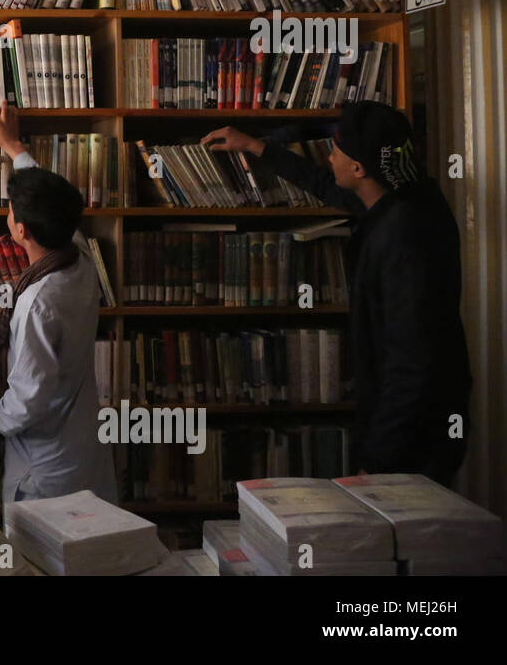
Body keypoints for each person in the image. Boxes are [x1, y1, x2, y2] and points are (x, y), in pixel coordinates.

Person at [202, 101, 471, 486]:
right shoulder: (404, 195)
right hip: (418, 422)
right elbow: (329, 186)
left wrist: (379, 461)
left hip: (415, 436)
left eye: (337, 151)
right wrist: (255, 146)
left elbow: (411, 361)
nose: (328, 157)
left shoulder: (404, 237)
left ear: (360, 168)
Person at [0, 102, 118, 503]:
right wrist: (14, 148)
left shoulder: (38, 303)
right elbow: (54, 204)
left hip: (44, 469)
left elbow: (26, 400)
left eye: (10, 210)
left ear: (20, 231)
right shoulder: (81, 260)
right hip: (81, 452)